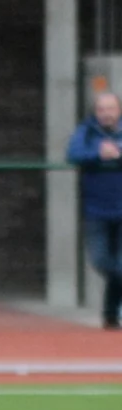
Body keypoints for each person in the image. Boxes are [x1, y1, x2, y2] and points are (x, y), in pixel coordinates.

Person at [68, 87, 122, 328]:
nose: (106, 114)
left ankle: (110, 315)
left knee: (121, 265)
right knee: (101, 261)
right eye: (101, 109)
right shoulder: (86, 131)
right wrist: (98, 153)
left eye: (111, 108)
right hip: (96, 212)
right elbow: (73, 154)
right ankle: (112, 312)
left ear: (119, 110)